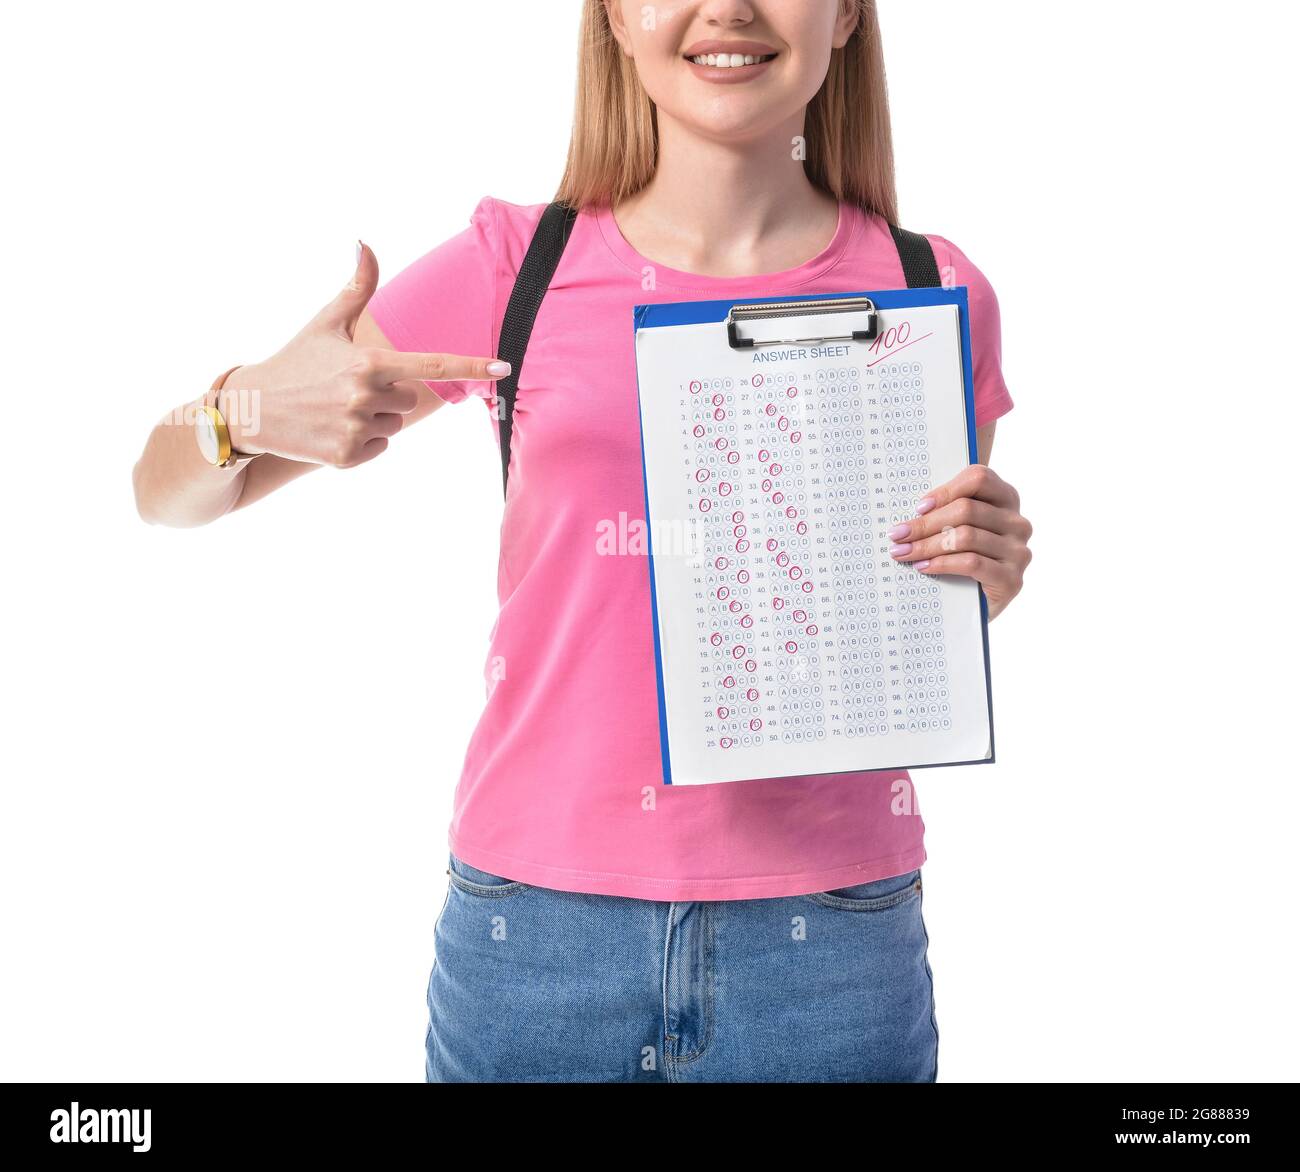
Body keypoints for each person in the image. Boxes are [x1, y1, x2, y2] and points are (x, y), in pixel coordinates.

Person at [133, 0, 1032, 1082]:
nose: (729, 9)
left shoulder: (932, 289)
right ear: (612, 14)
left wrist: (982, 572)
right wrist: (240, 412)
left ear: (844, 14)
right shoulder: (515, 266)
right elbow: (165, 492)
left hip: (830, 937)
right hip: (536, 929)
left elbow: (917, 606)